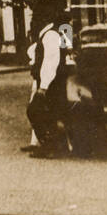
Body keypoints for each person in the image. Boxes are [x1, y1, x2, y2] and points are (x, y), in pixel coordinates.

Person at [26, 13, 69, 158]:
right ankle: (51, 145)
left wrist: (43, 86)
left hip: (50, 81)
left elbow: (51, 60)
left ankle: (50, 146)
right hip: (51, 80)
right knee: (49, 112)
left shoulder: (50, 34)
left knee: (36, 110)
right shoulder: (48, 32)